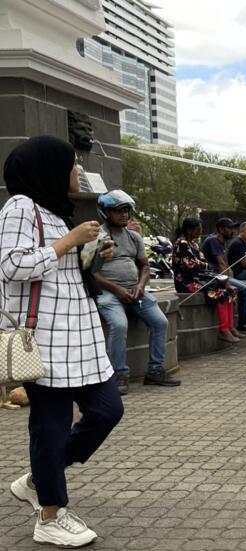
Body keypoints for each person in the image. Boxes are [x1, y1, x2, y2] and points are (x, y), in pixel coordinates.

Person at [1, 136, 123, 547]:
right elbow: (12, 264)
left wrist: (91, 253)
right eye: (71, 164)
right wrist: (69, 241)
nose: (77, 172)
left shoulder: (55, 210)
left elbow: (64, 273)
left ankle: (40, 478)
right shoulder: (21, 206)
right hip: (46, 341)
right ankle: (50, 516)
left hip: (82, 338)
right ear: (48, 167)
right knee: (49, 429)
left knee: (107, 410)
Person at [93, 191, 179, 395]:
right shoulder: (97, 237)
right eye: (118, 211)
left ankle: (155, 371)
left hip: (135, 291)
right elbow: (92, 273)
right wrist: (118, 289)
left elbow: (144, 266)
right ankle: (119, 374)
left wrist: (140, 285)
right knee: (119, 325)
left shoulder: (133, 237)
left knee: (161, 322)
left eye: (126, 211)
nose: (124, 215)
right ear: (105, 212)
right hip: (108, 292)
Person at [171, 217, 241, 343]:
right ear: (189, 230)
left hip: (198, 278)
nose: (200, 232)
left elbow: (202, 262)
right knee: (222, 294)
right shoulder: (181, 243)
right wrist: (203, 264)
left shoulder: (194, 244)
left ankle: (230, 326)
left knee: (230, 291)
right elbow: (191, 265)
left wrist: (202, 264)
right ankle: (223, 330)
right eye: (198, 229)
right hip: (186, 282)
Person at [201, 217, 246, 335]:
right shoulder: (214, 240)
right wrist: (227, 284)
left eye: (234, 228)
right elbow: (221, 264)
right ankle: (244, 322)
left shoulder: (220, 241)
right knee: (244, 289)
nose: (233, 231)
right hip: (213, 276)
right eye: (230, 228)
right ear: (221, 229)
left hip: (219, 275)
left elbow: (224, 264)